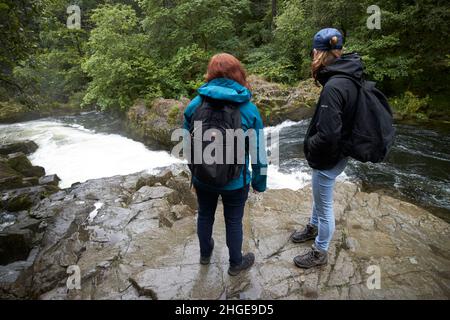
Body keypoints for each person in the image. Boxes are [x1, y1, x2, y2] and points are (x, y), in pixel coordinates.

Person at [184, 53, 267, 276]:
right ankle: (235, 263)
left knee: (204, 214)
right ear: (238, 73)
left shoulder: (195, 104)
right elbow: (258, 153)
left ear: (210, 74)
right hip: (235, 181)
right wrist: (259, 182)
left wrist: (194, 173)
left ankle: (204, 254)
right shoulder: (248, 109)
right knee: (233, 221)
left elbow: (186, 143)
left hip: (203, 177)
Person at [291, 28, 363, 268]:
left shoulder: (334, 86)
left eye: (315, 52)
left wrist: (310, 146)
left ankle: (319, 251)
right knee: (319, 193)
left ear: (320, 54)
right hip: (342, 150)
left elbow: (328, 133)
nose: (313, 57)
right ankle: (312, 227)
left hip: (331, 154)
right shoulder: (350, 75)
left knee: (325, 206)